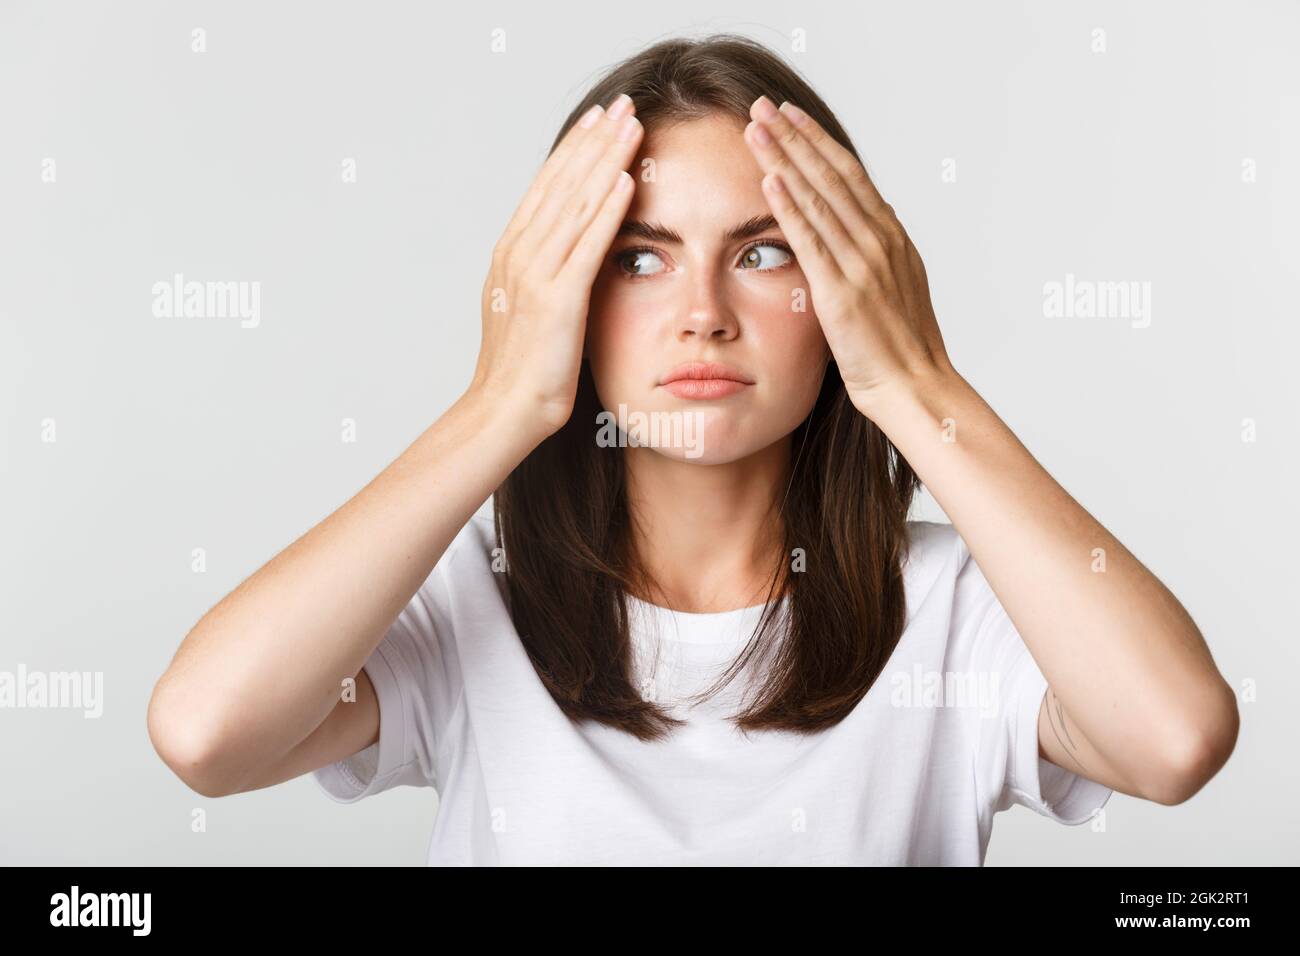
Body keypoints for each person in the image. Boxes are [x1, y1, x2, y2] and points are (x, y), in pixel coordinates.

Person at [147, 34, 1239, 865]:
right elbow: (205, 732)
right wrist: (500, 402)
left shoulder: (955, 609)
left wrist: (915, 380)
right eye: (639, 259)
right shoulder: (473, 598)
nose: (704, 315)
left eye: (763, 253)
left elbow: (1175, 738)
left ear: (845, 291)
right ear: (569, 297)